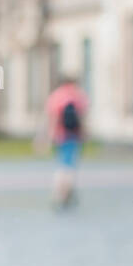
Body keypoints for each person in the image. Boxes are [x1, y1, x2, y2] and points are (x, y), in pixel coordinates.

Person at [42, 74, 90, 210]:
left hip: (59, 135)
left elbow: (52, 117)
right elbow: (82, 116)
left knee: (62, 163)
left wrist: (48, 136)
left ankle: (61, 193)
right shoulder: (78, 96)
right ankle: (65, 193)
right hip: (73, 135)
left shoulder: (56, 96)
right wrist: (85, 132)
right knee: (69, 165)